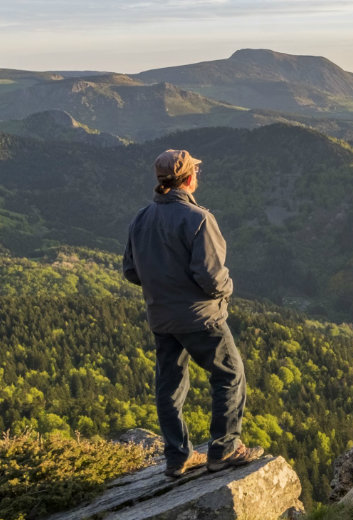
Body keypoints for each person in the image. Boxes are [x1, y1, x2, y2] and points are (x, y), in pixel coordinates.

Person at [122, 149, 261, 478]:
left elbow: (131, 271)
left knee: (169, 386)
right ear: (188, 179)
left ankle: (177, 457)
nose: (198, 175)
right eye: (196, 171)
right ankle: (224, 449)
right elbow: (211, 278)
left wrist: (162, 283)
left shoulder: (140, 219)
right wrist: (227, 289)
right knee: (229, 375)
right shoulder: (198, 219)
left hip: (161, 318)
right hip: (200, 319)